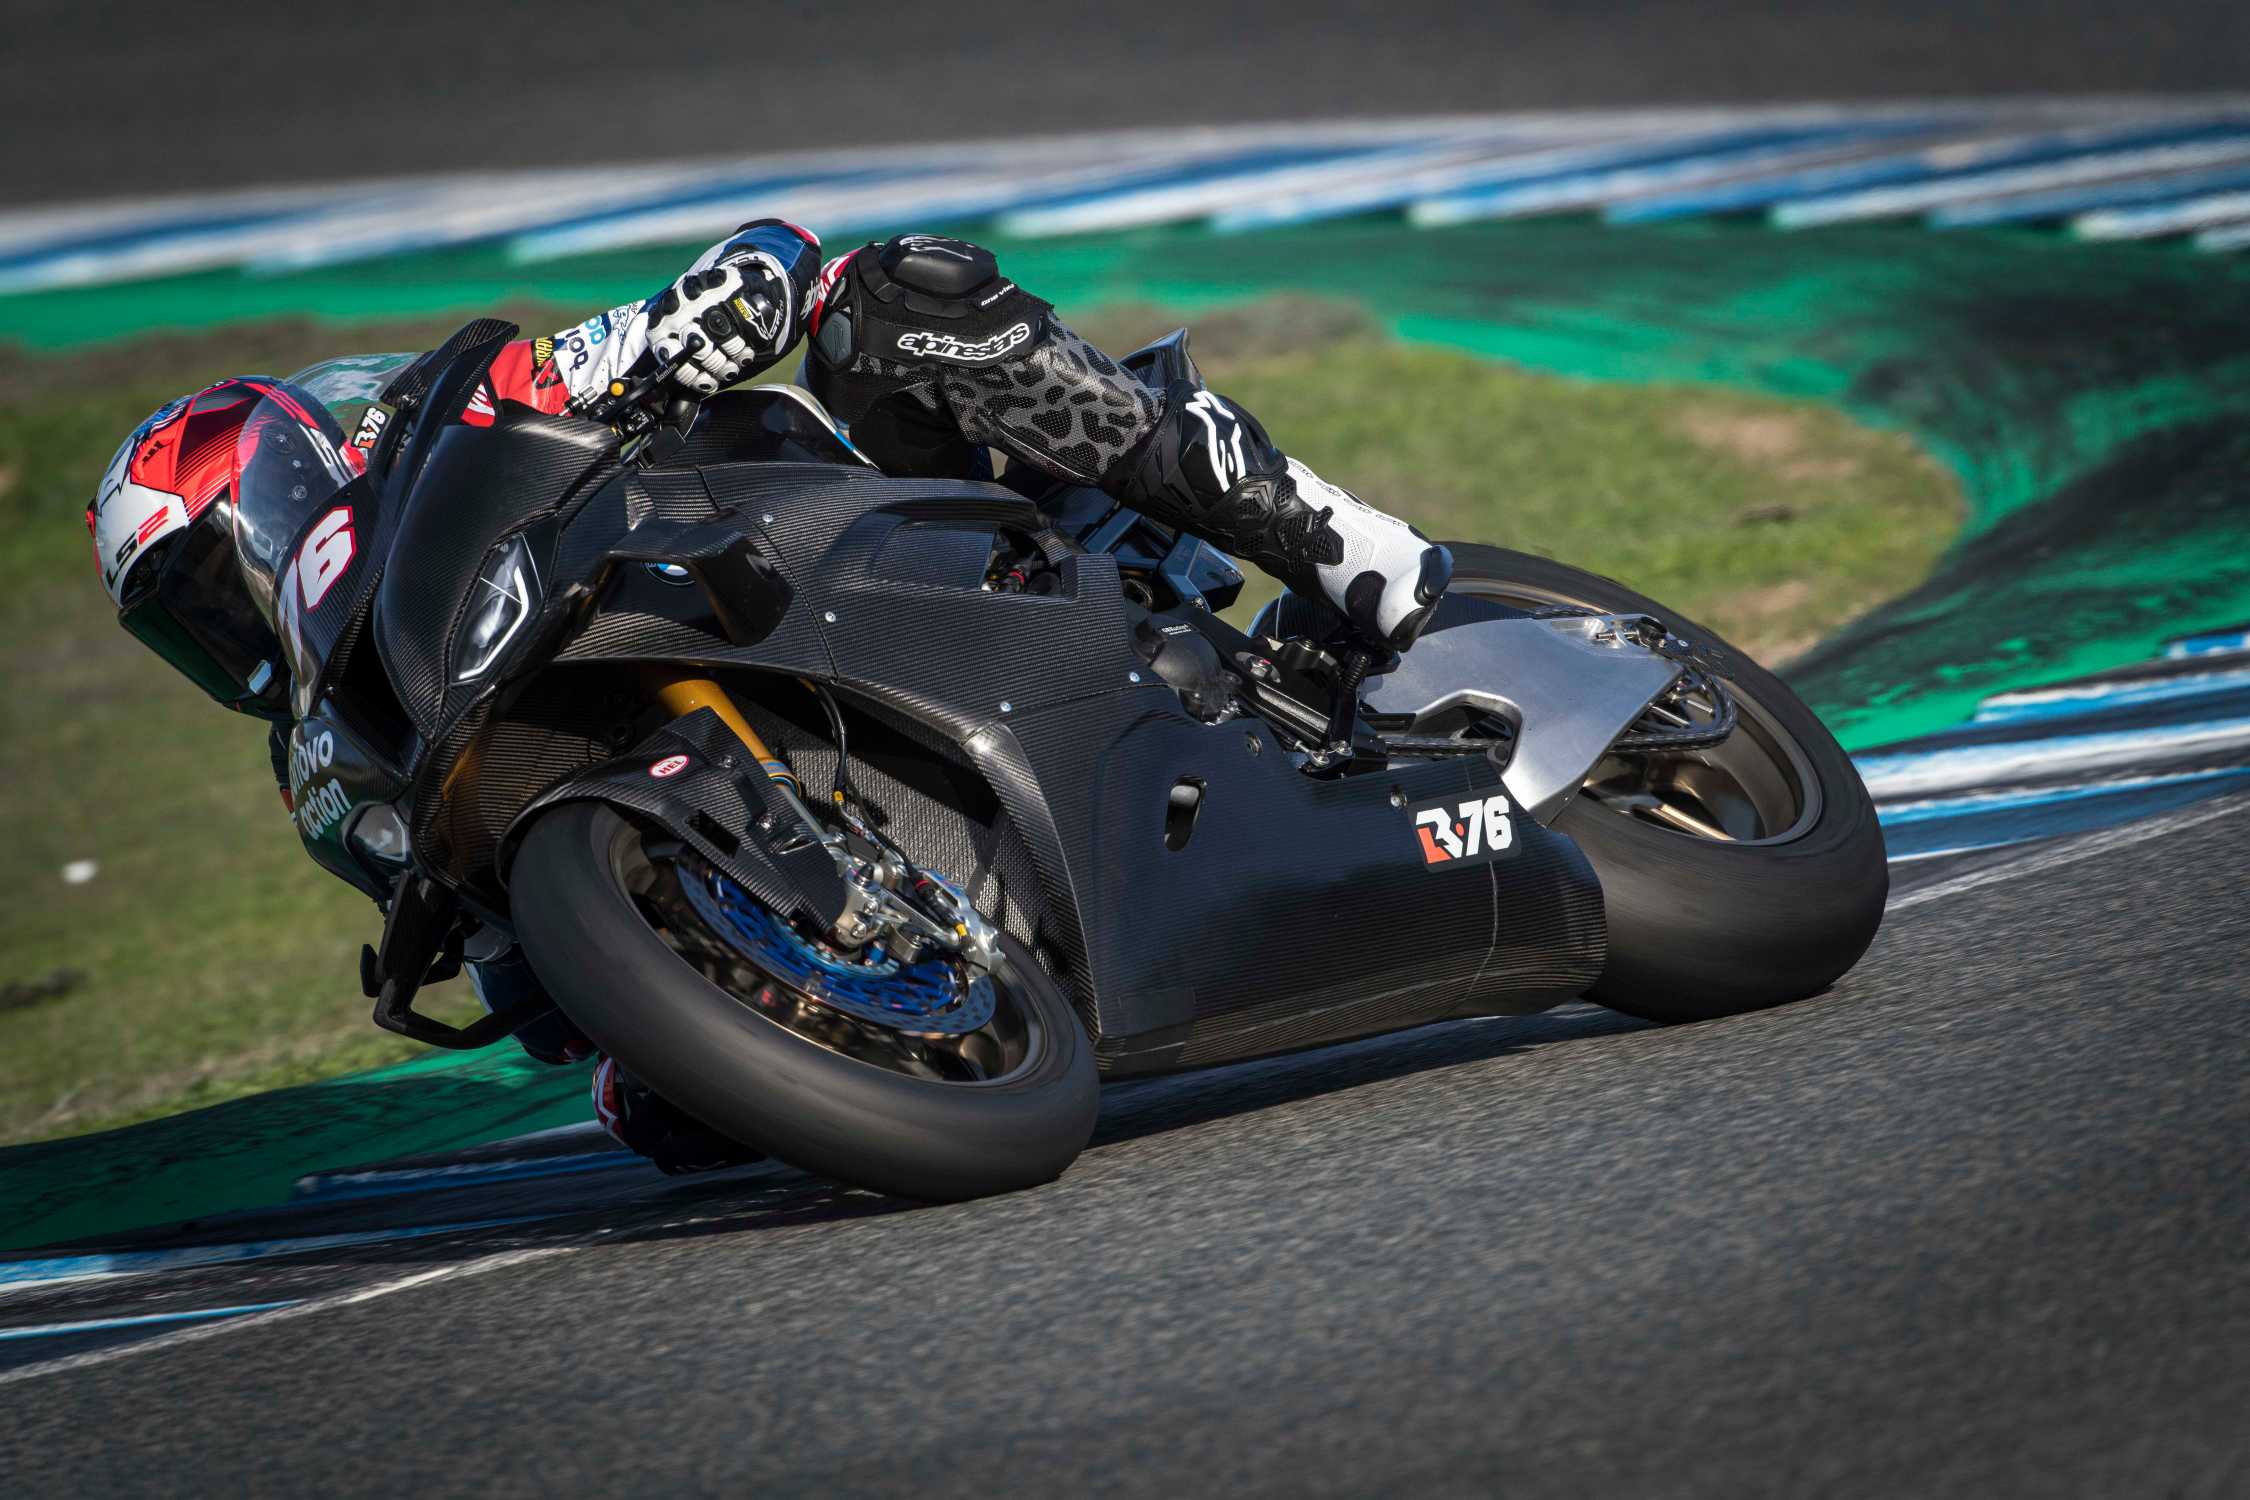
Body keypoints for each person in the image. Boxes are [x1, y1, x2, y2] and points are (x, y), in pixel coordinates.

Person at [86, 220, 1451, 1172]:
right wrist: (642, 1023)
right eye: (187, 627)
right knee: (664, 1127)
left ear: (278, 479)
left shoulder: (455, 430)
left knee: (889, 298)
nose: (226, 629)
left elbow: (751, 277)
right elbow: (521, 978)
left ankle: (1336, 541)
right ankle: (914, 944)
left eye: (216, 574)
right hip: (755, 755)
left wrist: (711, 305)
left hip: (870, 531)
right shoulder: (329, 765)